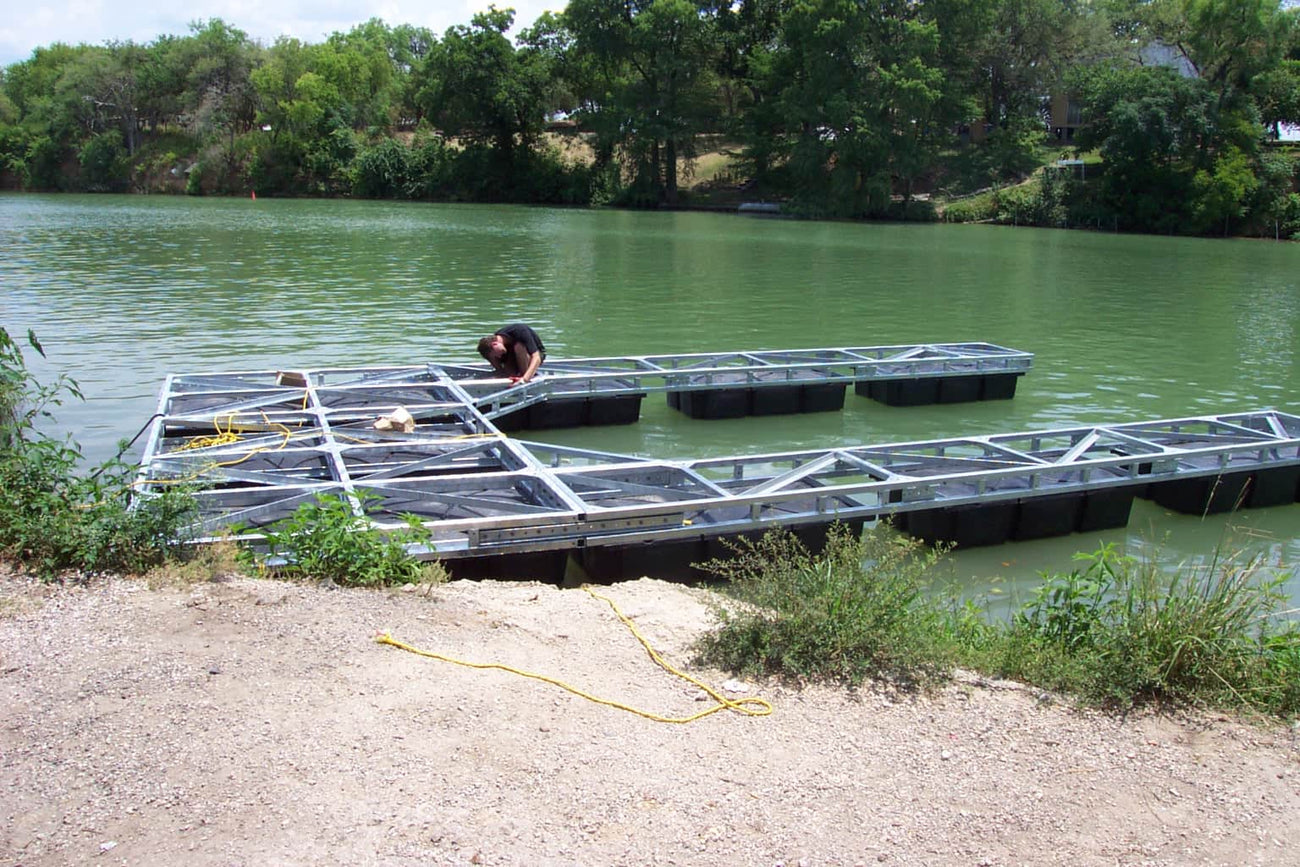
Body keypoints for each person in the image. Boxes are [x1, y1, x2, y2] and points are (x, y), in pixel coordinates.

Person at [477, 323, 546, 383]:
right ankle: (503, 374)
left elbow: (536, 357)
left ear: (495, 344)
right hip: (514, 356)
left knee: (518, 346)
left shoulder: (520, 331)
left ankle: (523, 375)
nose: (499, 357)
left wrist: (525, 379)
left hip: (533, 355)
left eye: (496, 354)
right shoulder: (497, 340)